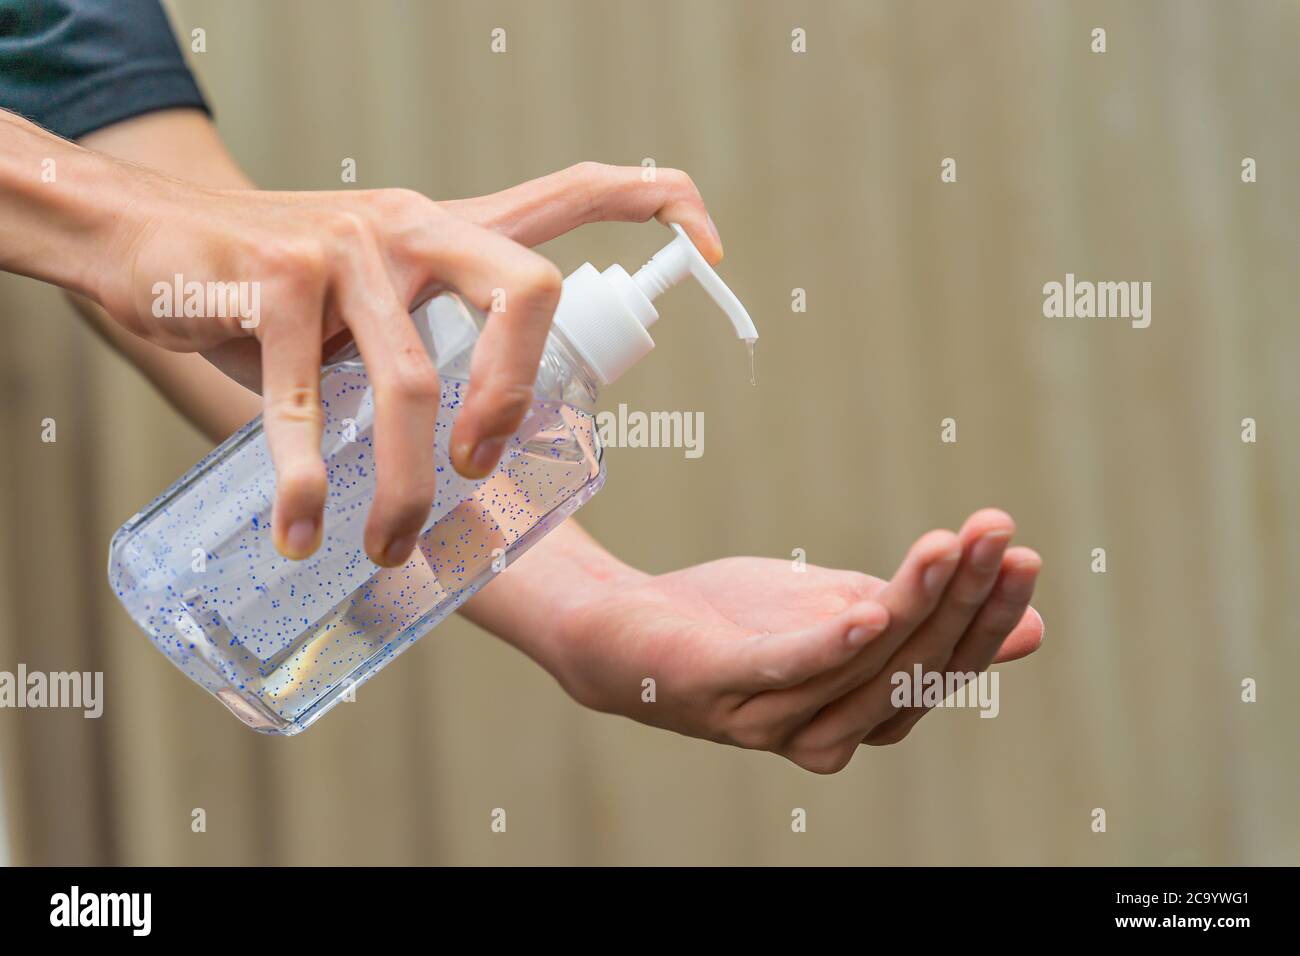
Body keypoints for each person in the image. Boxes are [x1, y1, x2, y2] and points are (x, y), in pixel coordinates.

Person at [0, 0, 1043, 772]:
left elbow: (102, 129)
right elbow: (116, 204)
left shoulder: (556, 446)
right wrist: (113, 219)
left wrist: (595, 609)